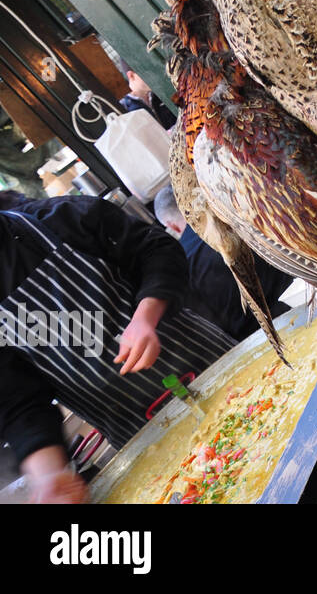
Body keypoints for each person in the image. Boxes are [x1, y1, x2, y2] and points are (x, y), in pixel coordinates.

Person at [0, 195, 234, 503]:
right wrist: (49, 474)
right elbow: (19, 401)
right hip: (143, 437)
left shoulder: (62, 217)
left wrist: (144, 317)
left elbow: (158, 250)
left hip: (216, 369)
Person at [151, 185, 294, 339]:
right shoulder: (235, 211)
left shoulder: (184, 265)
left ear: (171, 226)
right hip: (299, 292)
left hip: (261, 337)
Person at [115, 62, 176, 131]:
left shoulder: (160, 94)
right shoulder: (123, 109)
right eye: (147, 73)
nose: (153, 76)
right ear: (131, 75)